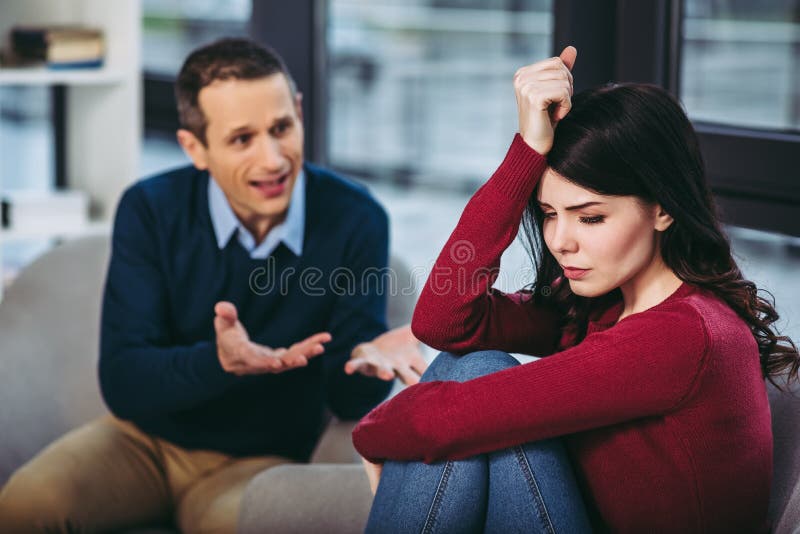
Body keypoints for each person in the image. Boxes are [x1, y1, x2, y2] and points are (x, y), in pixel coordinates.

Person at [352, 45, 800, 533]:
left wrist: (371, 435)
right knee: (472, 365)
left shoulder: (686, 335)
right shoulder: (599, 308)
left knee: (479, 388)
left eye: (590, 217)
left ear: (663, 209)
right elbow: (443, 320)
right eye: (548, 214)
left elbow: (448, 417)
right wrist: (525, 152)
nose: (561, 242)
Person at [0, 38, 426, 533]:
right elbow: (122, 380)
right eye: (242, 139)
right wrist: (218, 362)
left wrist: (371, 367)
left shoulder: (356, 218)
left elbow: (347, 397)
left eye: (282, 128)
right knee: (25, 506)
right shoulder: (150, 210)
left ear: (300, 112)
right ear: (194, 148)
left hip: (260, 460)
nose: (273, 160)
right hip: (144, 443)